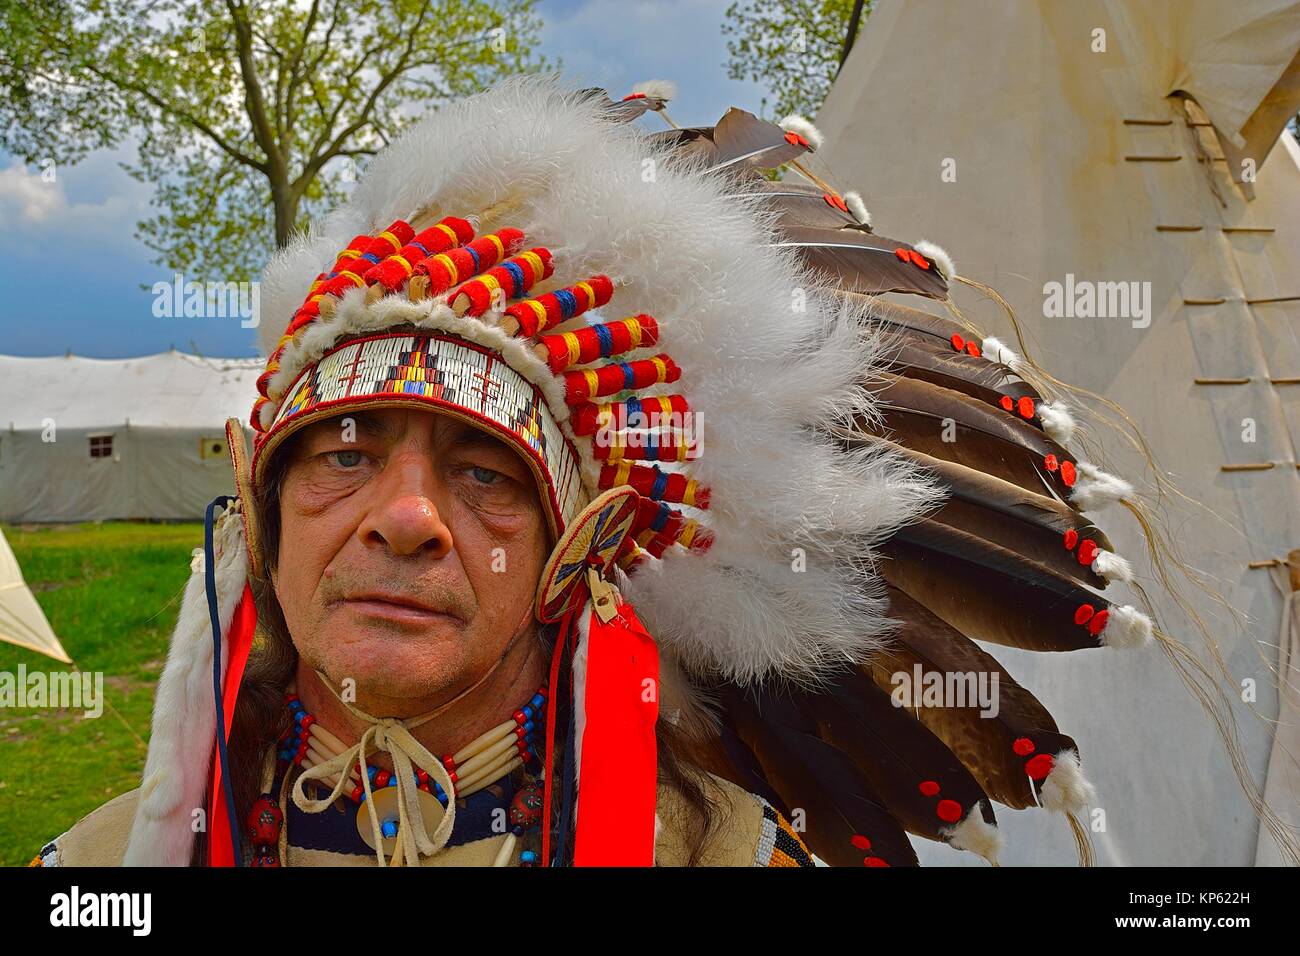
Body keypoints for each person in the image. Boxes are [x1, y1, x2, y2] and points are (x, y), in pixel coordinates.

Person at [32, 74, 1170, 868]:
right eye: (341, 454)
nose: (408, 517)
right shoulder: (98, 868)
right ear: (261, 508)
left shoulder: (728, 857)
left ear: (574, 553)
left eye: (488, 474)